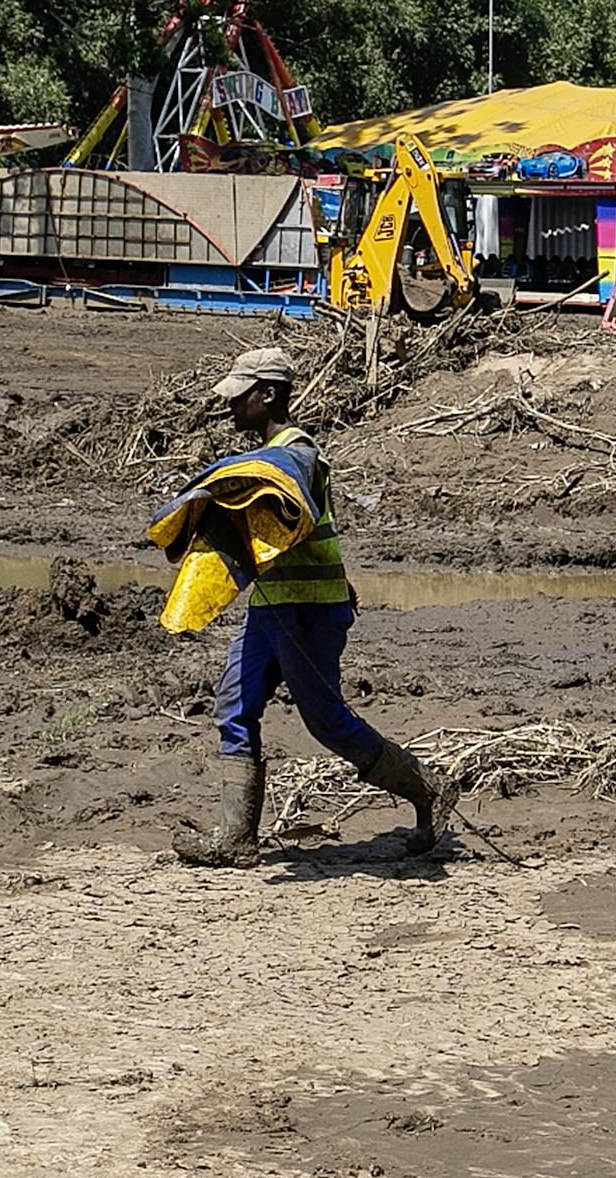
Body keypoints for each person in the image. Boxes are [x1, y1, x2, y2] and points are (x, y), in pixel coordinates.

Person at [170, 346, 443, 868]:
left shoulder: (297, 454)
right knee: (233, 707)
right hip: (271, 607)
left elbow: (285, 476)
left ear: (268, 395)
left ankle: (426, 789)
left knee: (326, 722)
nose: (231, 407)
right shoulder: (264, 461)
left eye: (240, 397)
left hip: (309, 611)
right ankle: (235, 838)